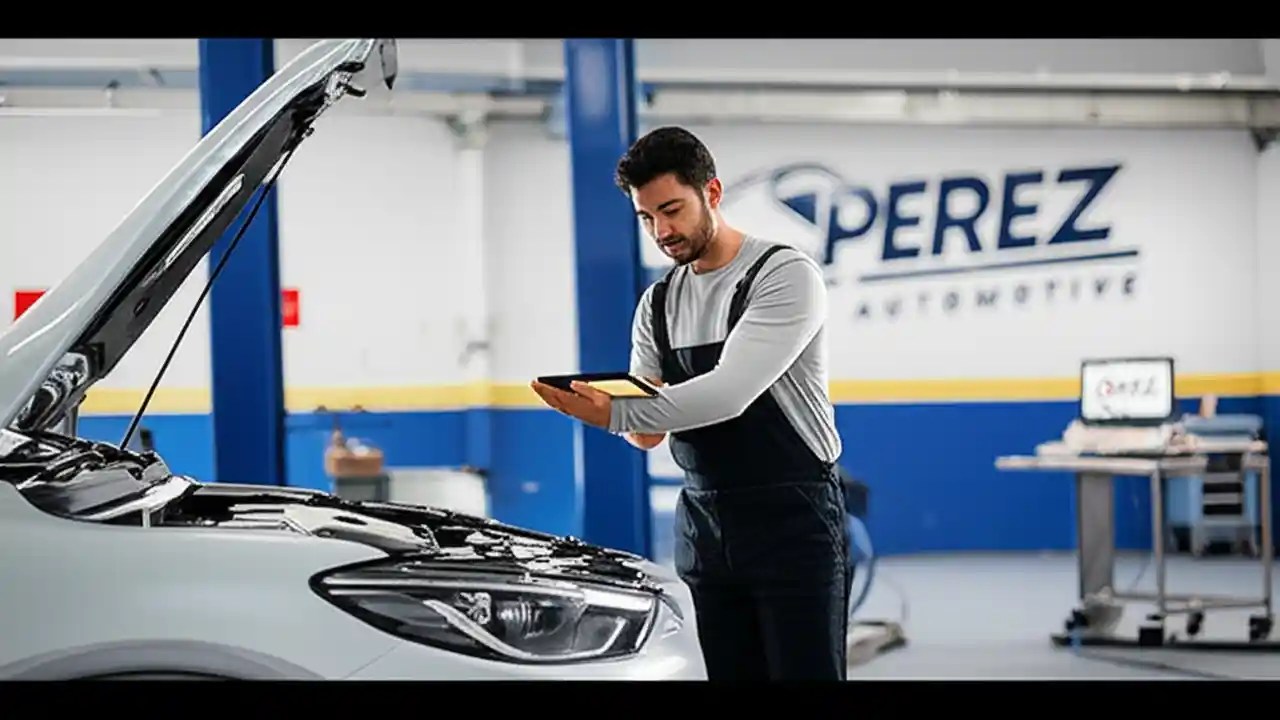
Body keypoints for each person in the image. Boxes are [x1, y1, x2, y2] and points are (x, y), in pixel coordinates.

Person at [530, 126, 850, 681]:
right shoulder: (658, 302)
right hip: (706, 526)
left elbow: (728, 394)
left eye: (673, 210)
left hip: (792, 520)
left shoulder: (783, 275)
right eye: (648, 217)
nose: (662, 231)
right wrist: (612, 403)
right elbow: (647, 433)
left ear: (714, 193)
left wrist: (611, 413)